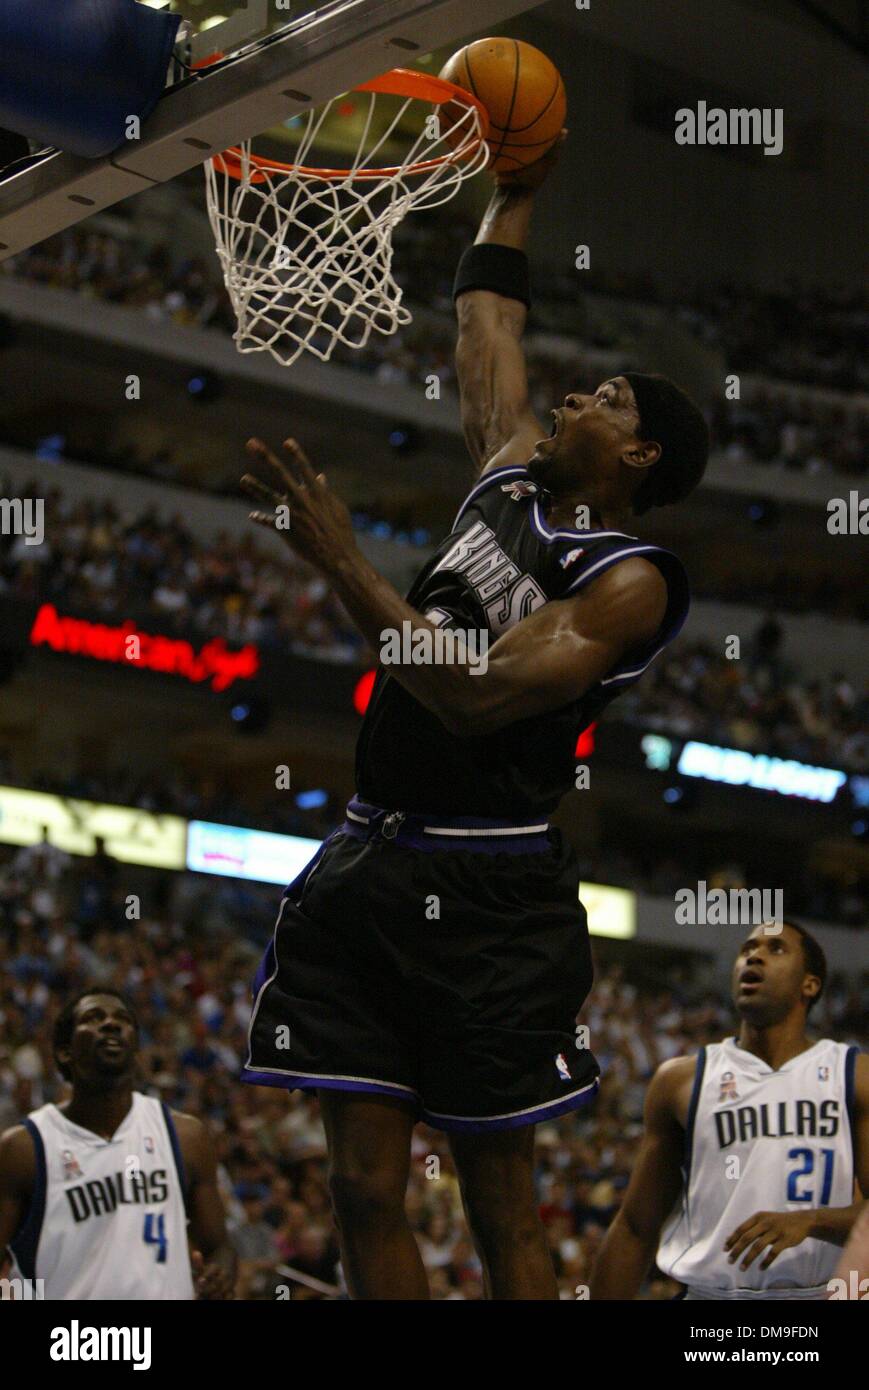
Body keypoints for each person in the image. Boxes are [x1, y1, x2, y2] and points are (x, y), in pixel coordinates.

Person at [238, 134, 710, 1300]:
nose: (573, 395)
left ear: (638, 452)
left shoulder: (628, 580)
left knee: (499, 1205)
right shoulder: (504, 464)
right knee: (360, 1188)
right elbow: (485, 321)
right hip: (369, 852)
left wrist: (341, 562)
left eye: (605, 398)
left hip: (488, 893)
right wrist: (514, 190)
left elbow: (472, 692)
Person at [591, 921, 868, 1300]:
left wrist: (813, 1220)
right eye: (747, 949)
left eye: (776, 948)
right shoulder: (681, 1080)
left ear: (810, 984)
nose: (754, 956)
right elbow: (635, 1227)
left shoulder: (853, 1074)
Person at [0, 988, 236, 1299]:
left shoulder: (185, 1137)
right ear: (65, 1052)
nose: (111, 1024)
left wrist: (218, 1277)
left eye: (122, 1019)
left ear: (136, 1049)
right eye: (93, 1018)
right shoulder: (24, 1149)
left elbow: (220, 1249)